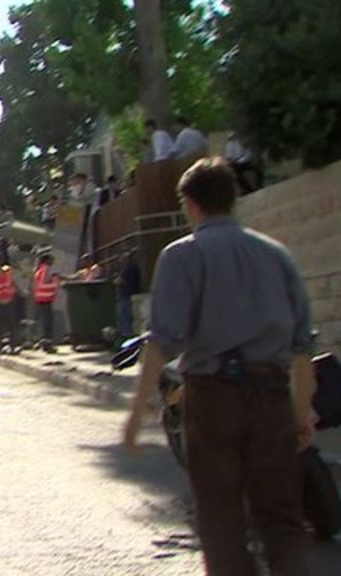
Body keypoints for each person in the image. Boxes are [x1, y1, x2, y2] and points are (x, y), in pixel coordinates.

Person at [123, 157, 316, 575]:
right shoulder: (277, 256)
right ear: (234, 201)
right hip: (270, 394)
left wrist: (138, 414)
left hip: (211, 397)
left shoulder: (181, 256)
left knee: (220, 517)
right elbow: (303, 345)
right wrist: (301, 411)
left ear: (190, 205)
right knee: (282, 518)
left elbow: (161, 342)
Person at [33, 253, 61, 353]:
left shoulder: (39, 269)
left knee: (44, 322)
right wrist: (55, 281)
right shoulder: (46, 269)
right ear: (47, 260)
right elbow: (44, 283)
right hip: (46, 298)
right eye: (51, 260)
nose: (52, 262)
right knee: (47, 323)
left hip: (40, 299)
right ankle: (48, 345)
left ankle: (43, 342)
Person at [114, 251, 141, 338]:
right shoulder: (132, 268)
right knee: (126, 317)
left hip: (126, 295)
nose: (121, 260)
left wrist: (116, 280)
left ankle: (126, 335)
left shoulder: (128, 269)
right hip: (127, 295)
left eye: (123, 258)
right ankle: (126, 334)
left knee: (125, 317)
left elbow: (121, 281)